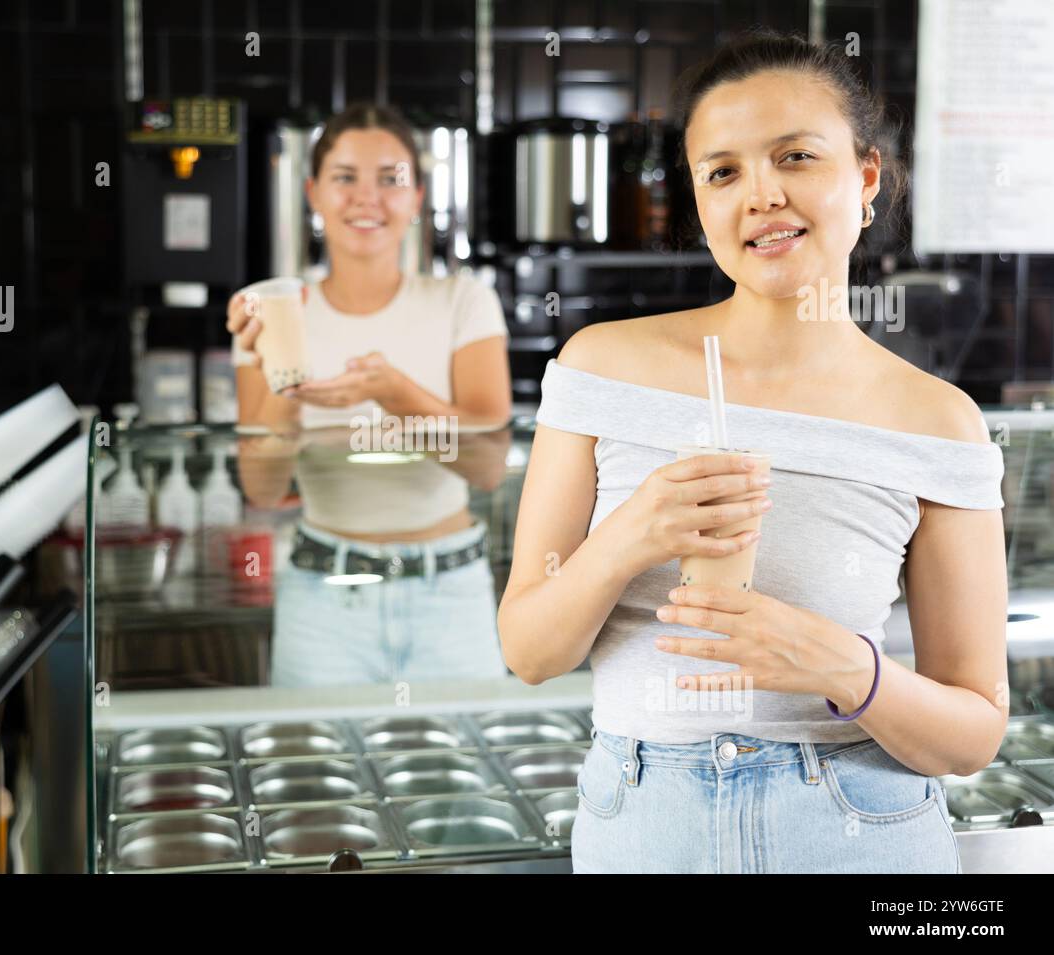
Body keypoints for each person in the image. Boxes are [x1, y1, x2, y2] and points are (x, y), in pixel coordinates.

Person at [498, 30, 1007, 873]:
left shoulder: (938, 421)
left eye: (796, 156)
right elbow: (530, 652)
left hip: (856, 821)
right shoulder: (600, 367)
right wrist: (633, 535)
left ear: (867, 178)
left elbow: (973, 733)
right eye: (723, 171)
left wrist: (842, 665)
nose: (762, 195)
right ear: (699, 203)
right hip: (644, 821)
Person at [225, 101, 513, 686]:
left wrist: (395, 393)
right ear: (312, 192)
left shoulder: (463, 300)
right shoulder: (272, 310)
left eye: (391, 179)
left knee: (461, 777)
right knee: (315, 774)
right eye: (345, 178)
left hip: (451, 598)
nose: (367, 198)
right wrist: (279, 365)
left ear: (416, 197)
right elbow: (263, 486)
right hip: (323, 600)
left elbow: (486, 465)